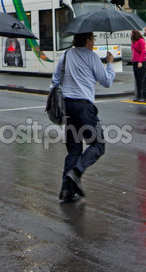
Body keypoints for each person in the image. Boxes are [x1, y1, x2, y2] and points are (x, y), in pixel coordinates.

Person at [51, 31, 115, 203]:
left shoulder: (65, 55)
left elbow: (55, 80)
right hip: (84, 107)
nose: (93, 43)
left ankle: (66, 191)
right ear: (87, 41)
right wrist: (109, 64)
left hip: (67, 106)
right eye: (93, 40)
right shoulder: (92, 57)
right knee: (98, 144)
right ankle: (77, 171)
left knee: (73, 149)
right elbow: (107, 82)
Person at [130, 29, 146, 102]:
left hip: (141, 62)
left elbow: (143, 51)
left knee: (142, 79)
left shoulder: (141, 40)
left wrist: (140, 61)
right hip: (135, 61)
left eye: (131, 33)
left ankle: (144, 95)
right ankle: (138, 95)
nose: (130, 34)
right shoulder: (133, 41)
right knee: (137, 80)